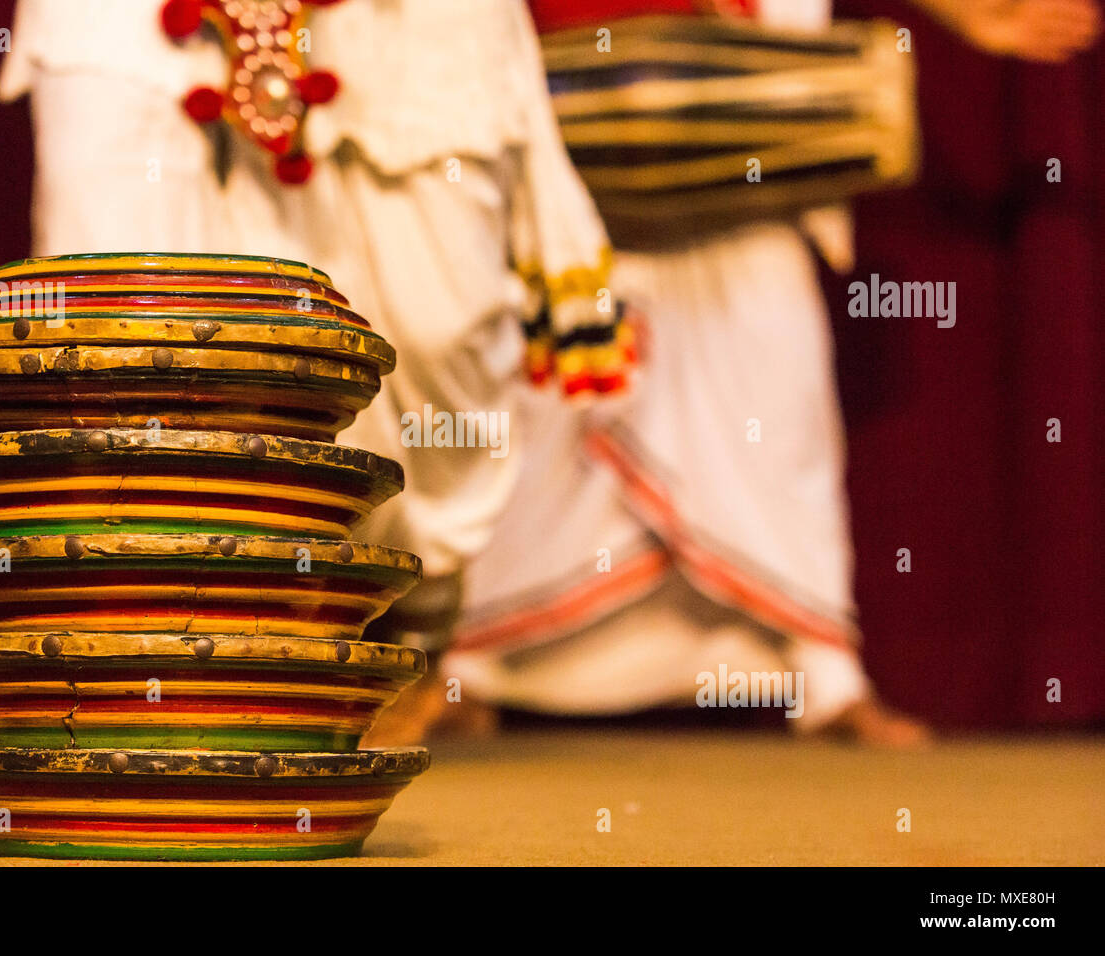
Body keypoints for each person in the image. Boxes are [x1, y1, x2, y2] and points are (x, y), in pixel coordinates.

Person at [399, 0, 1099, 747]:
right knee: (547, 402)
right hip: (568, 126)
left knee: (778, 391)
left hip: (742, 144)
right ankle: (470, 668)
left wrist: (965, 13)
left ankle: (824, 675)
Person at [0, 0, 630, 624]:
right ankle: (148, 619)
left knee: (440, 332)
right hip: (131, 24)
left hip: (401, 28)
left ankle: (415, 599)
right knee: (115, 311)